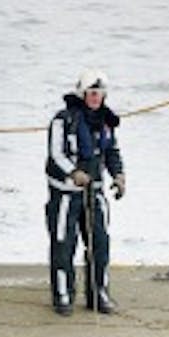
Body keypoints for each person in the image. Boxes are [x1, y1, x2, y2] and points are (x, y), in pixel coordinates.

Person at [46, 70, 126, 316]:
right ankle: (63, 294)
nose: (95, 98)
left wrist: (119, 175)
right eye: (91, 93)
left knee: (99, 243)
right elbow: (56, 155)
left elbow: (111, 151)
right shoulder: (63, 120)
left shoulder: (105, 121)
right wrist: (73, 173)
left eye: (99, 93)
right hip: (66, 195)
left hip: (96, 192)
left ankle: (98, 293)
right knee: (63, 244)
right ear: (83, 93)